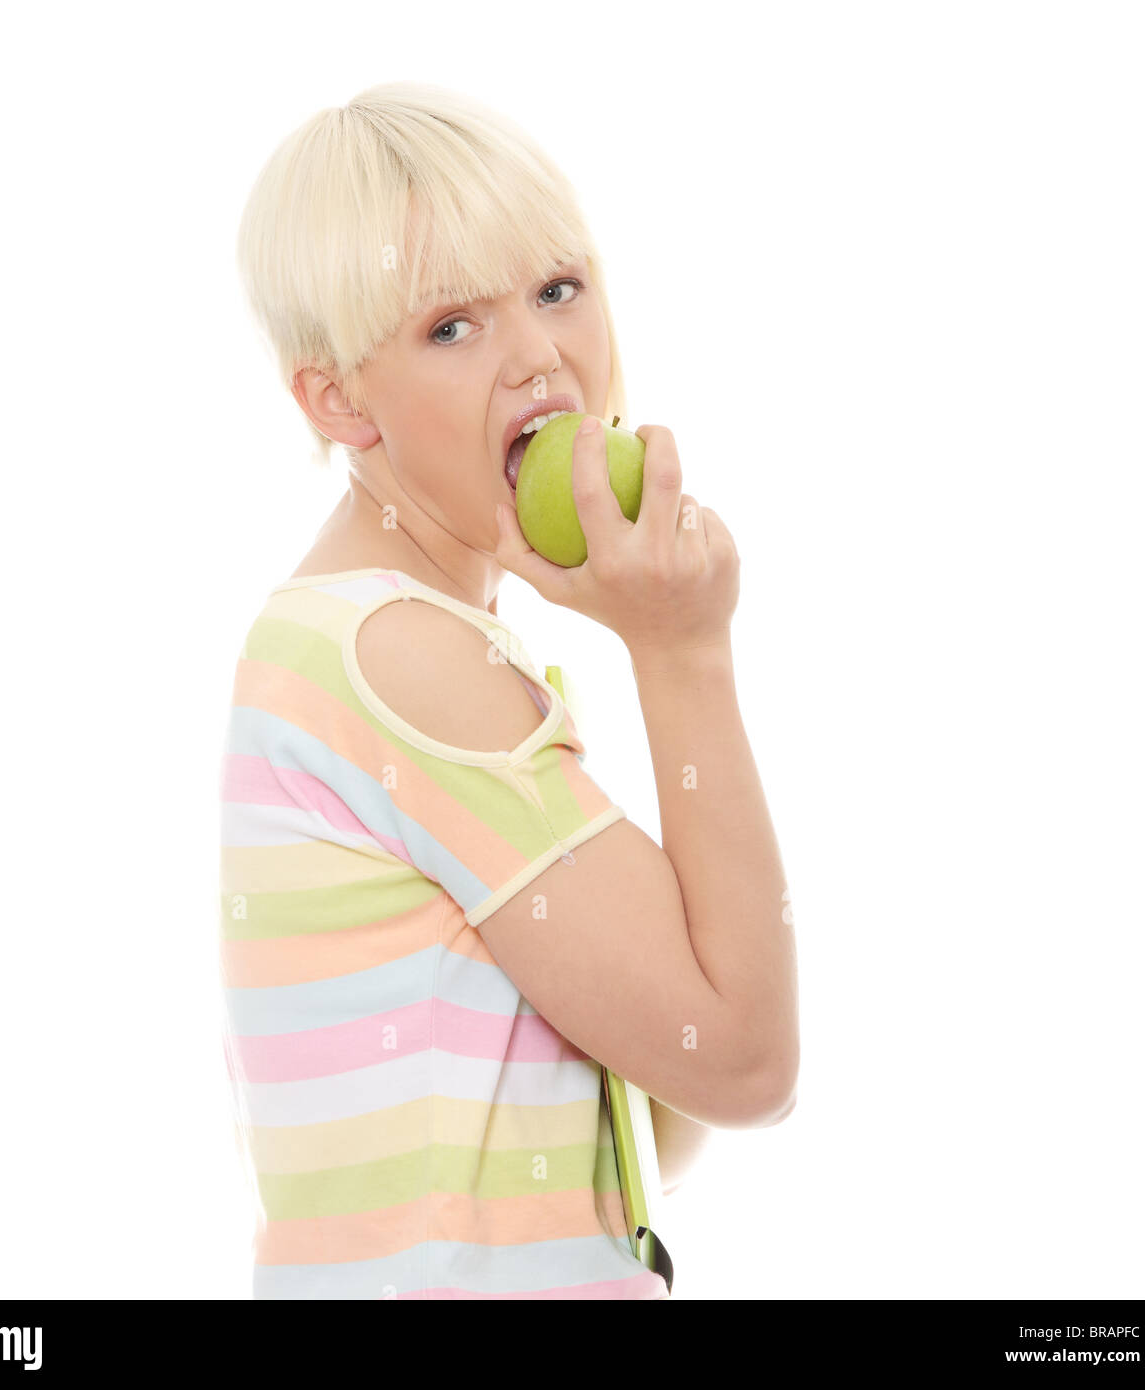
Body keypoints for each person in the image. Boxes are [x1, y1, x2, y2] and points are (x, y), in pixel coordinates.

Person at [218, 81, 799, 1300]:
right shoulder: (399, 657)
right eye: (451, 327)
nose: (539, 355)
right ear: (339, 400)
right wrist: (686, 652)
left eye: (557, 289)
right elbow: (742, 1061)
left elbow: (651, 1125)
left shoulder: (373, 639)